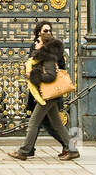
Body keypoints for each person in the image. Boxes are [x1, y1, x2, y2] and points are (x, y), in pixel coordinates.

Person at [10, 23, 78, 161]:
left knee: (33, 123)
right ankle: (72, 150)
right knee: (57, 124)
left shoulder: (48, 57)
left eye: (38, 42)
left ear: (43, 44)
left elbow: (51, 76)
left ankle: (24, 151)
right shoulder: (42, 56)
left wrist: (33, 76)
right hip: (47, 94)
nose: (35, 44)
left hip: (47, 95)